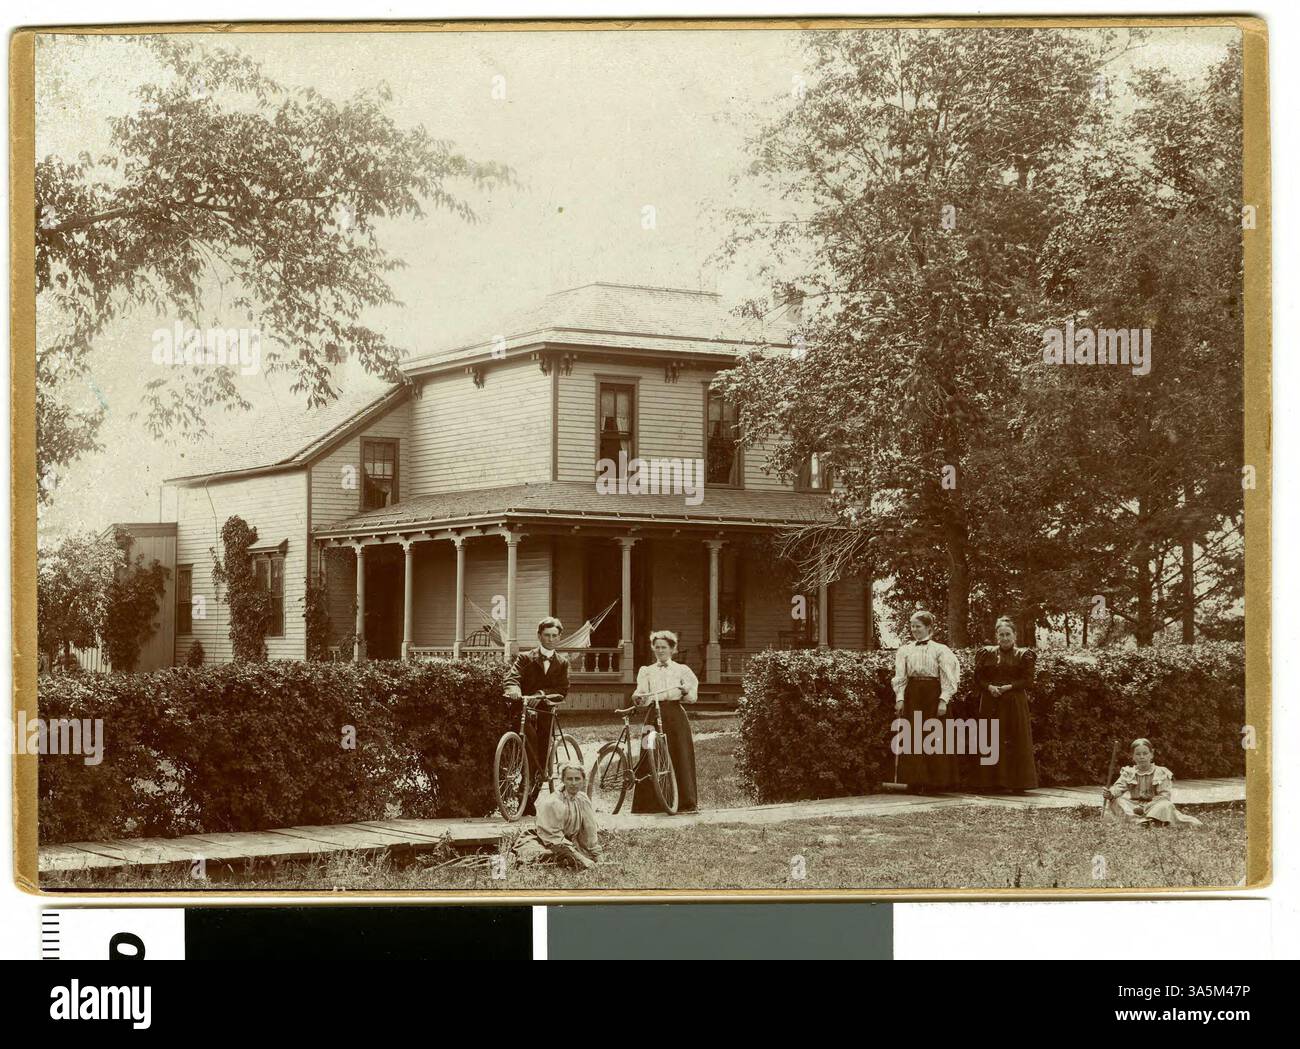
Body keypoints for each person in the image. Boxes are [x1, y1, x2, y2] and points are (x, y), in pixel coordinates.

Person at [504, 616, 570, 816]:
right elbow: (512, 676)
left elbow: (562, 689)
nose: (550, 639)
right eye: (546, 635)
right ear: (539, 636)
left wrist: (541, 694)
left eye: (554, 636)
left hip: (544, 711)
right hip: (523, 709)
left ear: (559, 638)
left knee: (541, 750)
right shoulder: (526, 658)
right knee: (528, 741)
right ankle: (522, 792)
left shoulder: (562, 662)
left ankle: (531, 796)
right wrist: (513, 689)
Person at [630, 630, 700, 814]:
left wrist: (685, 690)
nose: (660, 651)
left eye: (664, 647)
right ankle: (648, 804)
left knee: (680, 752)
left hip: (675, 715)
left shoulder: (682, 670)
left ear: (672, 649)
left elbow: (693, 697)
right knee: (648, 751)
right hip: (653, 715)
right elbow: (642, 695)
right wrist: (637, 697)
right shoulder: (646, 671)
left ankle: (685, 802)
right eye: (657, 647)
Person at [892, 610, 961, 793]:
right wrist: (900, 698)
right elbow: (901, 676)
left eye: (919, 626)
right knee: (913, 737)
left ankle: (934, 783)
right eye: (912, 626)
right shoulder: (905, 650)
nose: (915, 630)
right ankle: (915, 781)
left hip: (933, 694)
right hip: (913, 695)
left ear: (929, 628)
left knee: (934, 736)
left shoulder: (941, 650)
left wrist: (943, 700)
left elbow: (949, 677)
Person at [973, 616, 1039, 793]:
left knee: (1015, 740)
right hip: (990, 701)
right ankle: (989, 783)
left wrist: (1008, 687)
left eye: (1008, 634)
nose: (1005, 638)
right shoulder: (986, 653)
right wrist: (990, 687)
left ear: (1015, 635)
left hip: (1014, 702)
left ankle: (1017, 784)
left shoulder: (1024, 655)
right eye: (1001, 634)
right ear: (996, 636)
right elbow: (978, 678)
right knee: (990, 739)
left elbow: (1028, 681)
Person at [510, 762, 602, 869]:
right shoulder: (553, 802)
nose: (573, 783)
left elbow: (589, 831)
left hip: (567, 842)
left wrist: (597, 855)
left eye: (577, 779)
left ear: (583, 781)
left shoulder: (583, 799)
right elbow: (553, 837)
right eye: (569, 779)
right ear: (563, 780)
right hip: (544, 839)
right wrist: (580, 858)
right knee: (543, 857)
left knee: (581, 857)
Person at [1102, 738, 1203, 828]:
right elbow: (1119, 787)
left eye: (1145, 753)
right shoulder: (1129, 772)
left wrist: (1146, 807)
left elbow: (1164, 795)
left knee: (1166, 805)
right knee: (1117, 801)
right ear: (1132, 756)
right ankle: (1139, 822)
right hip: (1134, 806)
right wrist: (1111, 793)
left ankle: (1151, 819)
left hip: (1154, 805)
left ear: (1152, 754)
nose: (1142, 757)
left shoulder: (1160, 772)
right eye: (1138, 754)